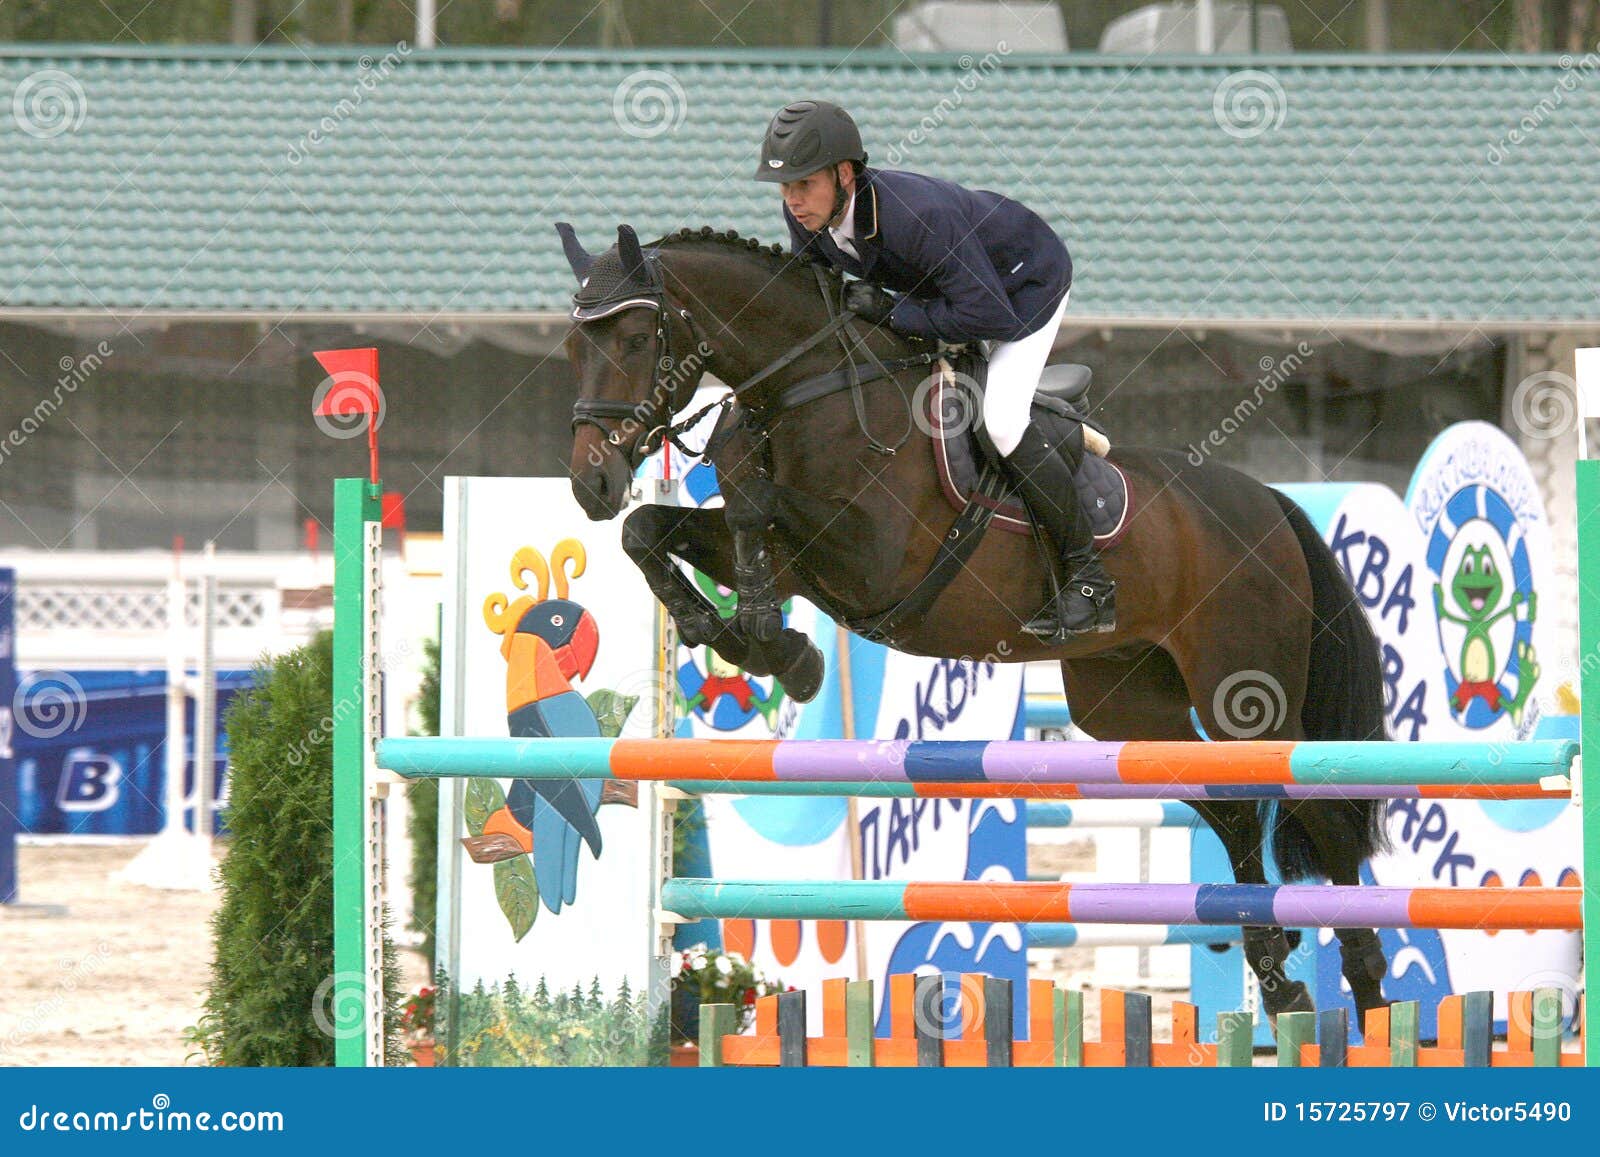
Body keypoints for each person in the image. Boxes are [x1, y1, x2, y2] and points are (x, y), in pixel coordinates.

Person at [756, 99, 1114, 638]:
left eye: (803, 184)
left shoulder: (916, 214)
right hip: (954, 289)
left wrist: (896, 312)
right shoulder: (809, 214)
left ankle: (1089, 580)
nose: (793, 200)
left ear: (845, 174)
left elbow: (988, 314)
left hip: (1024, 286)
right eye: (785, 188)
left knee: (1000, 419)